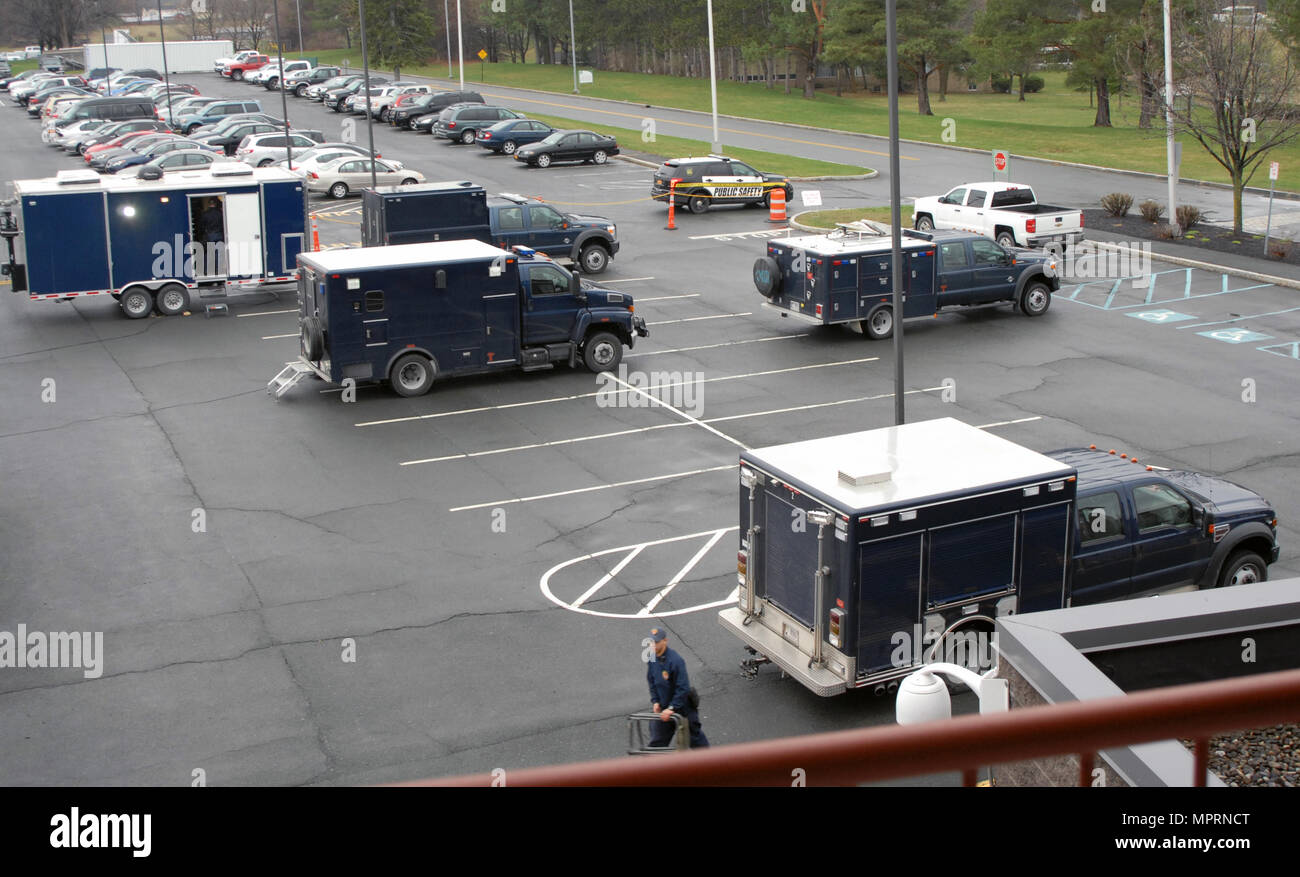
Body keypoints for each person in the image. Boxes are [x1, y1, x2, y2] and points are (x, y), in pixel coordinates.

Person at [645, 627, 709, 748]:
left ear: (665, 641)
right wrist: (655, 701)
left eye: (657, 642)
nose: (653, 645)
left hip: (683, 709)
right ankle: (651, 766)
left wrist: (671, 708)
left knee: (696, 740)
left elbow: (683, 688)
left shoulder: (675, 661)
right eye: (651, 642)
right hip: (664, 708)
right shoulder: (652, 658)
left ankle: (710, 764)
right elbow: (651, 681)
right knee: (657, 743)